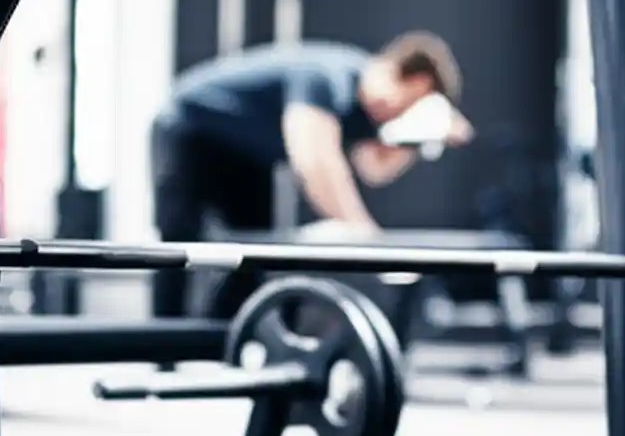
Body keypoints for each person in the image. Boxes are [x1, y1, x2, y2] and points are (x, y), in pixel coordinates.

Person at [149, 31, 473, 317]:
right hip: (190, 129)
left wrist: (424, 137)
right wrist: (365, 234)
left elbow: (374, 169)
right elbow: (314, 163)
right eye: (406, 104)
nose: (396, 115)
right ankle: (163, 357)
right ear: (400, 74)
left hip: (245, 154)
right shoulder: (328, 77)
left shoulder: (361, 112)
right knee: (179, 243)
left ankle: (216, 345)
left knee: (254, 258)